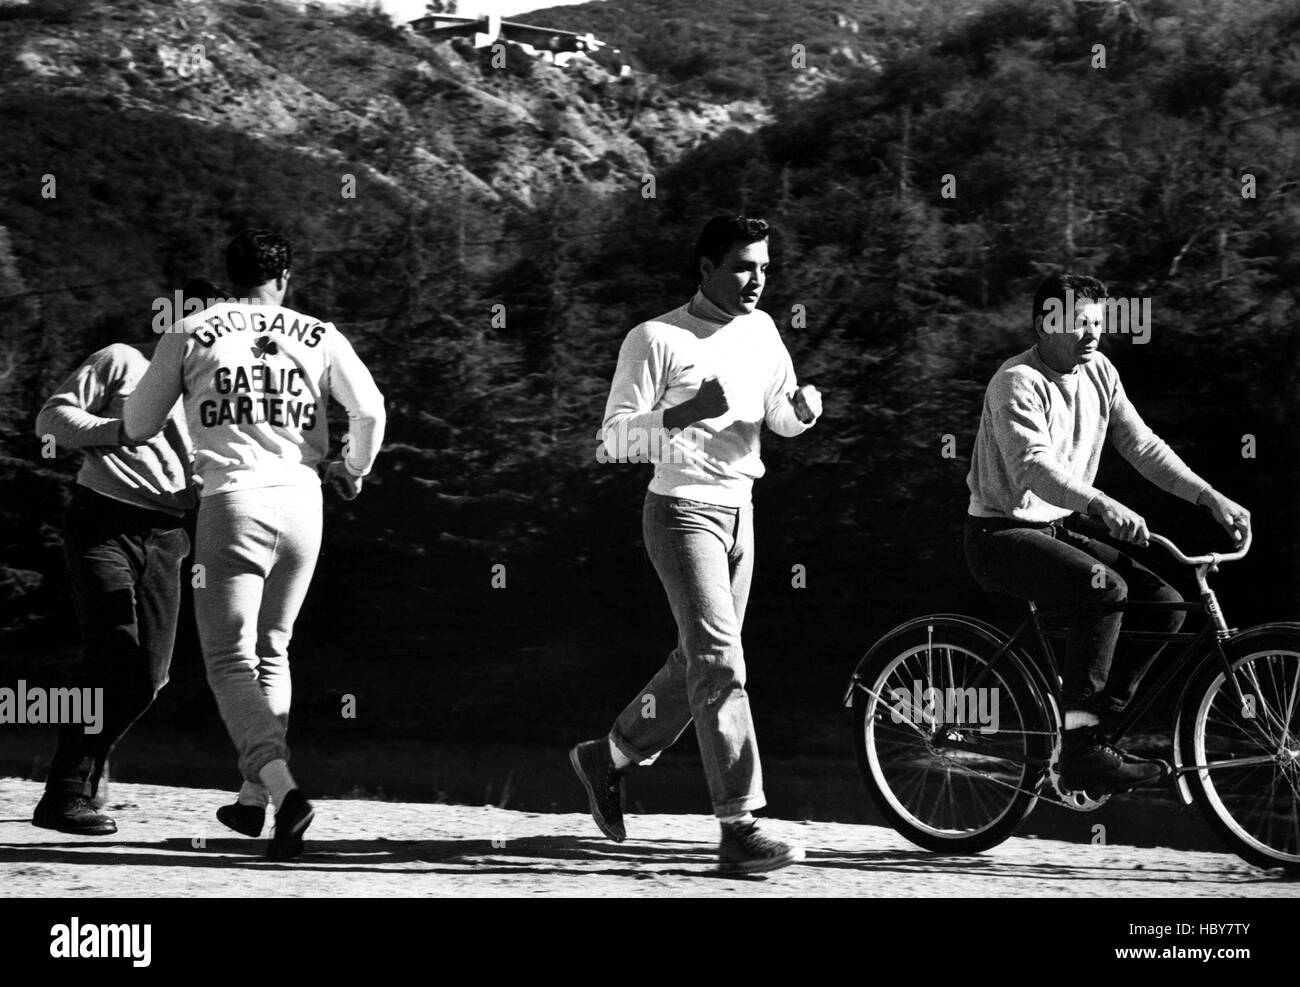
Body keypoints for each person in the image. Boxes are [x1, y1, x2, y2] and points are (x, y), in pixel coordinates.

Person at [571, 215, 822, 874]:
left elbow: (778, 415)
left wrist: (802, 410)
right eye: (743, 265)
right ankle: (739, 824)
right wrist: (685, 411)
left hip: (741, 511)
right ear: (705, 266)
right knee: (721, 662)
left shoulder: (763, 330)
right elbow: (612, 441)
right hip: (681, 512)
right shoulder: (655, 338)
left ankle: (610, 755)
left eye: (765, 266)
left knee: (700, 663)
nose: (757, 279)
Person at [124, 230, 386, 859]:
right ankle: (251, 802)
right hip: (303, 503)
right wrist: (352, 469)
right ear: (285, 278)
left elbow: (137, 424)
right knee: (273, 649)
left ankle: (285, 790)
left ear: (229, 273)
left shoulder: (192, 330)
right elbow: (370, 409)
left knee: (227, 659)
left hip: (232, 502)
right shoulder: (320, 334)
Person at [964, 272, 1250, 791]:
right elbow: (1033, 468)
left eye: (1097, 321)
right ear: (1043, 323)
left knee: (1163, 603)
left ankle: (1096, 728)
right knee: (1107, 590)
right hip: (999, 535)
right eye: (1077, 322)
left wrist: (1211, 497)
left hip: (1058, 528)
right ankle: (1082, 747)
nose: (1091, 332)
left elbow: (1143, 446)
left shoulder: (1100, 373)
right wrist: (1099, 502)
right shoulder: (1016, 382)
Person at [31, 300, 200, 835]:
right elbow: (51, 420)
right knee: (112, 649)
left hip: (170, 534)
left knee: (151, 676)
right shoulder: (123, 361)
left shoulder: (219, 400)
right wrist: (121, 430)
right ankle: (63, 795)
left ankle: (85, 773)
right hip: (101, 520)